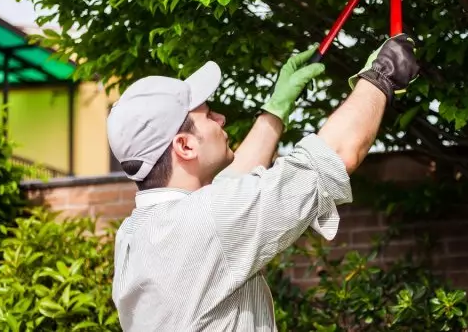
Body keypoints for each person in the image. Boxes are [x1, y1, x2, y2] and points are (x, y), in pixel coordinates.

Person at [107, 33, 419, 331]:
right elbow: (332, 157)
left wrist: (276, 108)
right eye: (208, 115)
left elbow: (231, 190)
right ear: (185, 146)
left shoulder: (135, 234)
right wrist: (380, 75)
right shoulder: (208, 220)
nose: (221, 119)